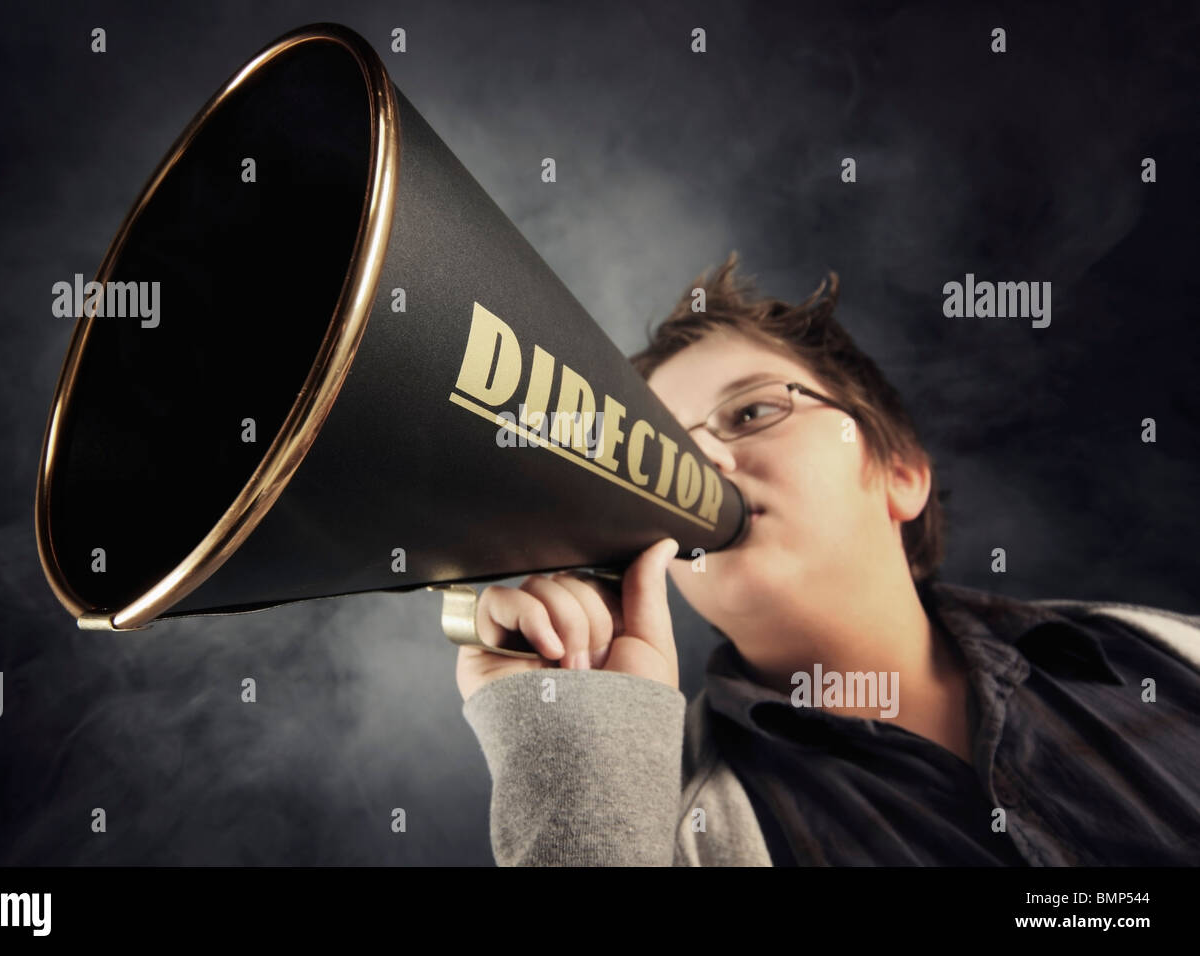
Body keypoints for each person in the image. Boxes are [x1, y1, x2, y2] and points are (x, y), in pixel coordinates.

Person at [455, 252, 1200, 866]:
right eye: (667, 454)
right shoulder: (661, 827)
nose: (704, 460)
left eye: (751, 412)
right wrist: (576, 754)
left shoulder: (1169, 656)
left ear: (900, 472)